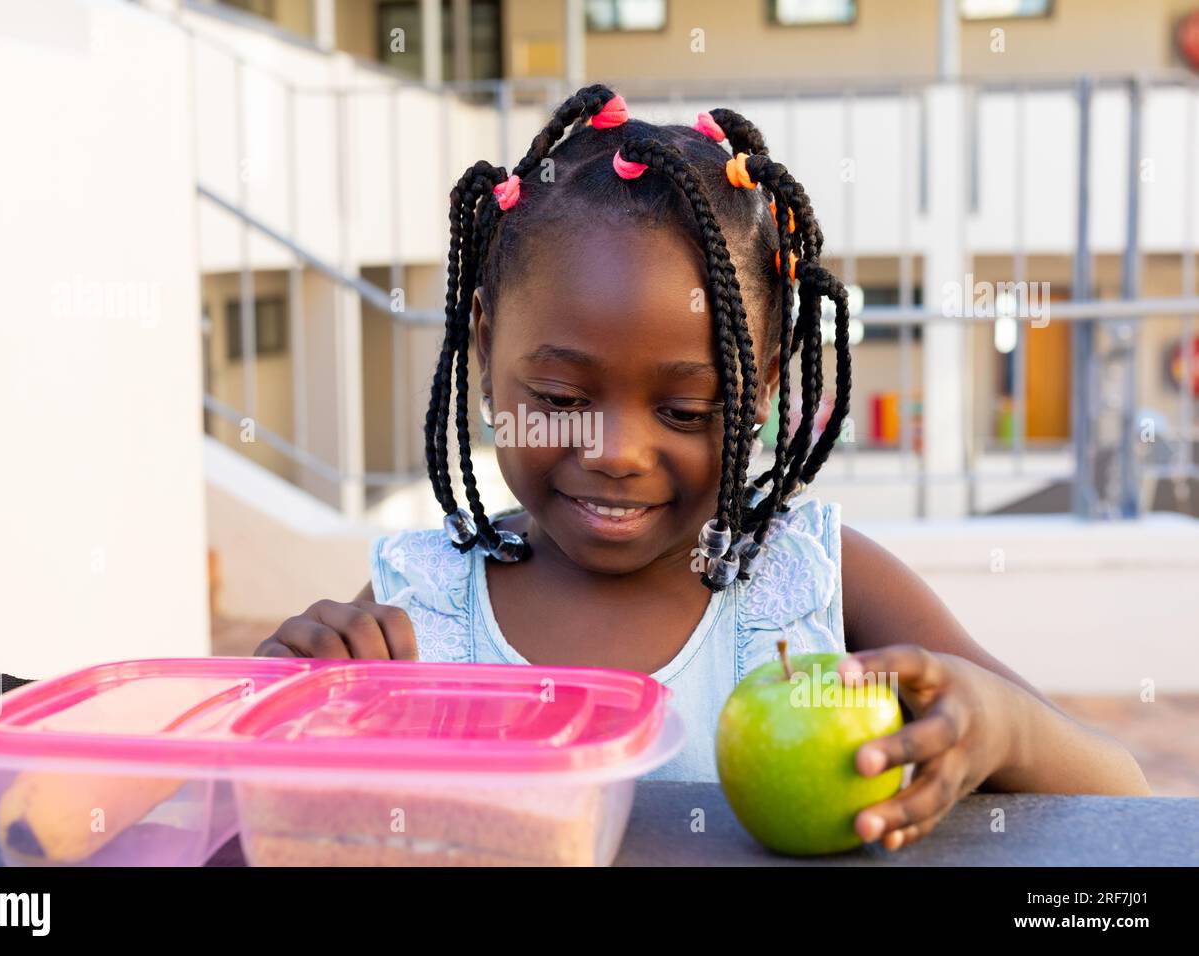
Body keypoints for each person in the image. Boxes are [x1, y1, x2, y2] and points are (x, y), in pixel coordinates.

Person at [256, 85, 1149, 852]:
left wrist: (998, 726)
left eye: (685, 412)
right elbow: (286, 816)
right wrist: (286, 692)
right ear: (486, 345)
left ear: (761, 389)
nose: (616, 454)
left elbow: (1123, 792)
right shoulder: (419, 613)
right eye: (563, 398)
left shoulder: (812, 585)